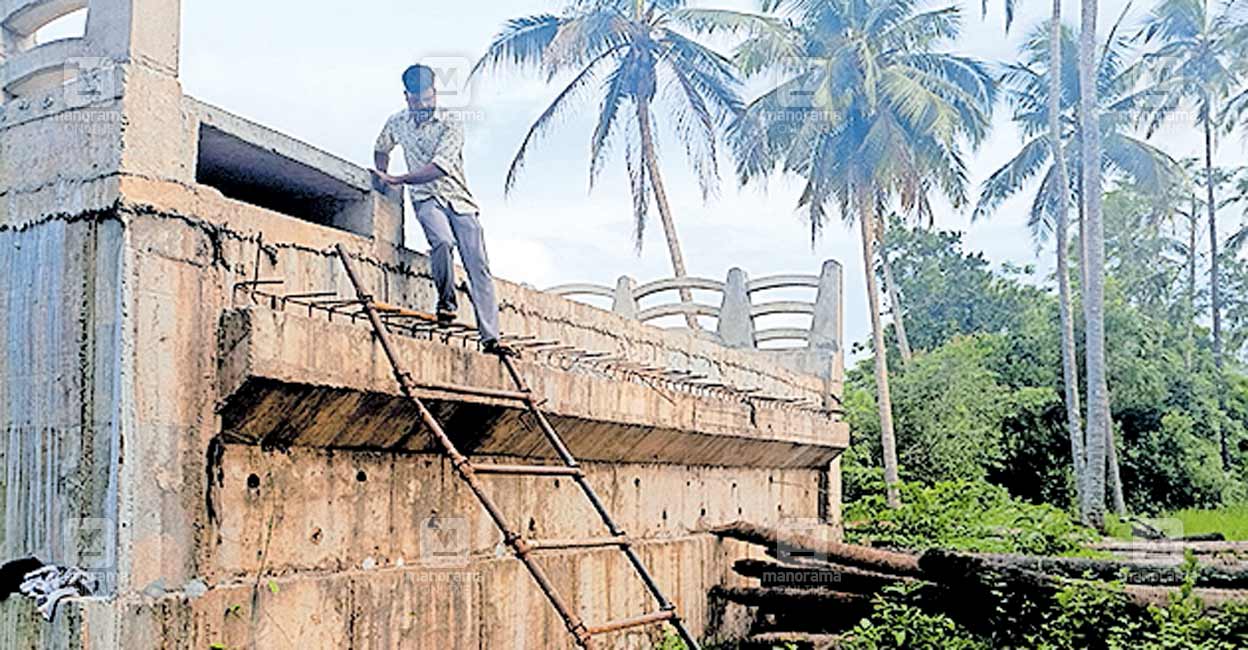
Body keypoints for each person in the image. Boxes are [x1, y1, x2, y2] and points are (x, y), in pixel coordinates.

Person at [373, 64, 514, 356]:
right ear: (407, 97)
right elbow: (381, 147)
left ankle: (491, 338)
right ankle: (447, 302)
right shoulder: (397, 122)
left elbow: (439, 168)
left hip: (459, 200)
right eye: (417, 100)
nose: (423, 105)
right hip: (426, 199)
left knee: (478, 266)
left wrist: (399, 179)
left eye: (428, 99)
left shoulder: (450, 122)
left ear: (434, 93)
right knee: (442, 242)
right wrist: (382, 175)